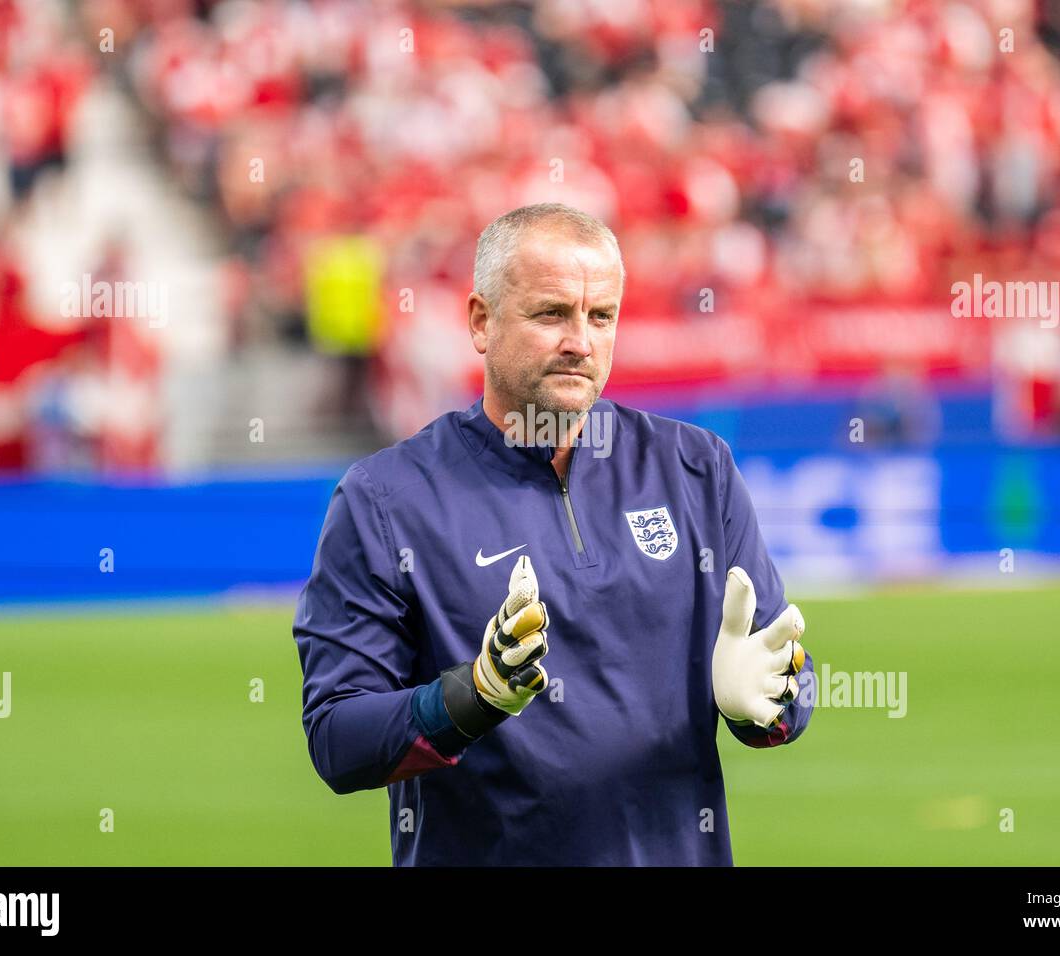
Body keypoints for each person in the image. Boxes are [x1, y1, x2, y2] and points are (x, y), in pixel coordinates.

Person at [293, 203, 815, 865]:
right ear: (481, 321)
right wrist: (474, 694)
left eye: (602, 316)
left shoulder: (695, 468)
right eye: (551, 313)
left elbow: (790, 679)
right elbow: (339, 740)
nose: (581, 340)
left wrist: (766, 702)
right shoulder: (385, 500)